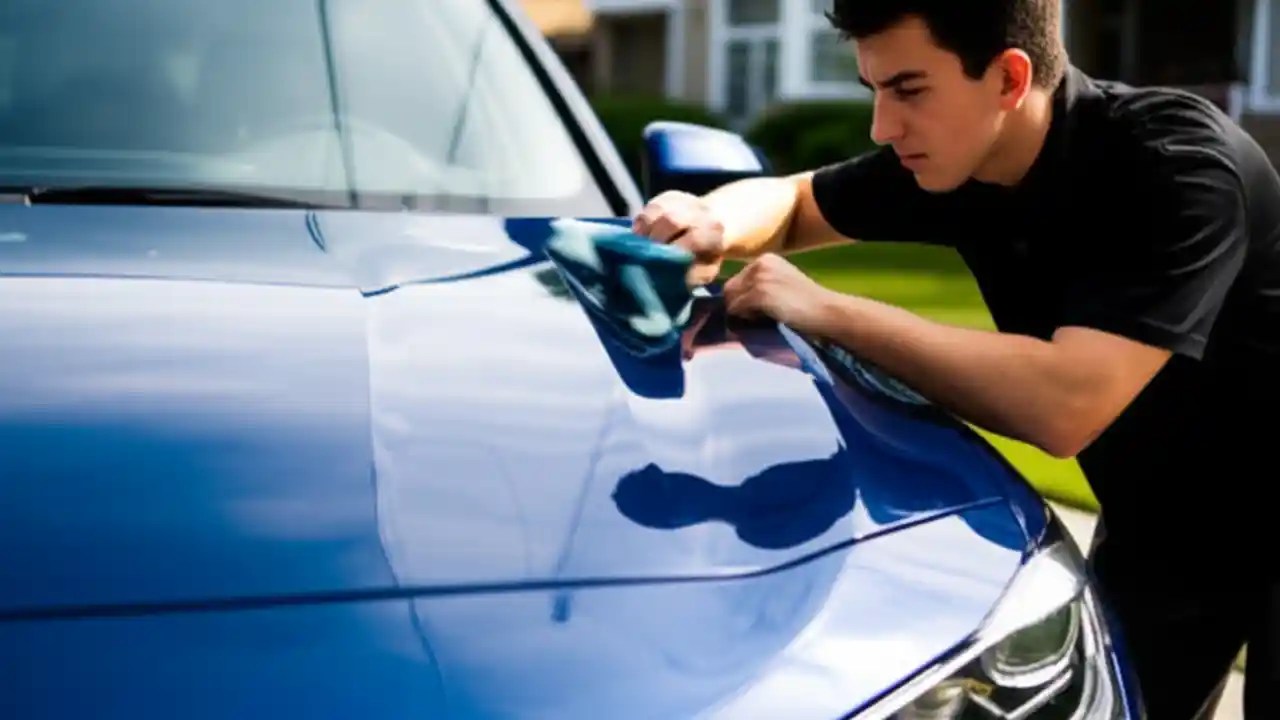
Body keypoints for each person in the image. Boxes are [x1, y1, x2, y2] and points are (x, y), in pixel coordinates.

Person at [631, 0, 1280, 717]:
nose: (883, 127)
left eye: (908, 90)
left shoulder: (1177, 166)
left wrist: (833, 312)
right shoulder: (963, 160)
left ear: (1007, 78)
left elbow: (1067, 404)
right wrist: (714, 220)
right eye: (873, 91)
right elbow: (792, 200)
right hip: (1164, 524)